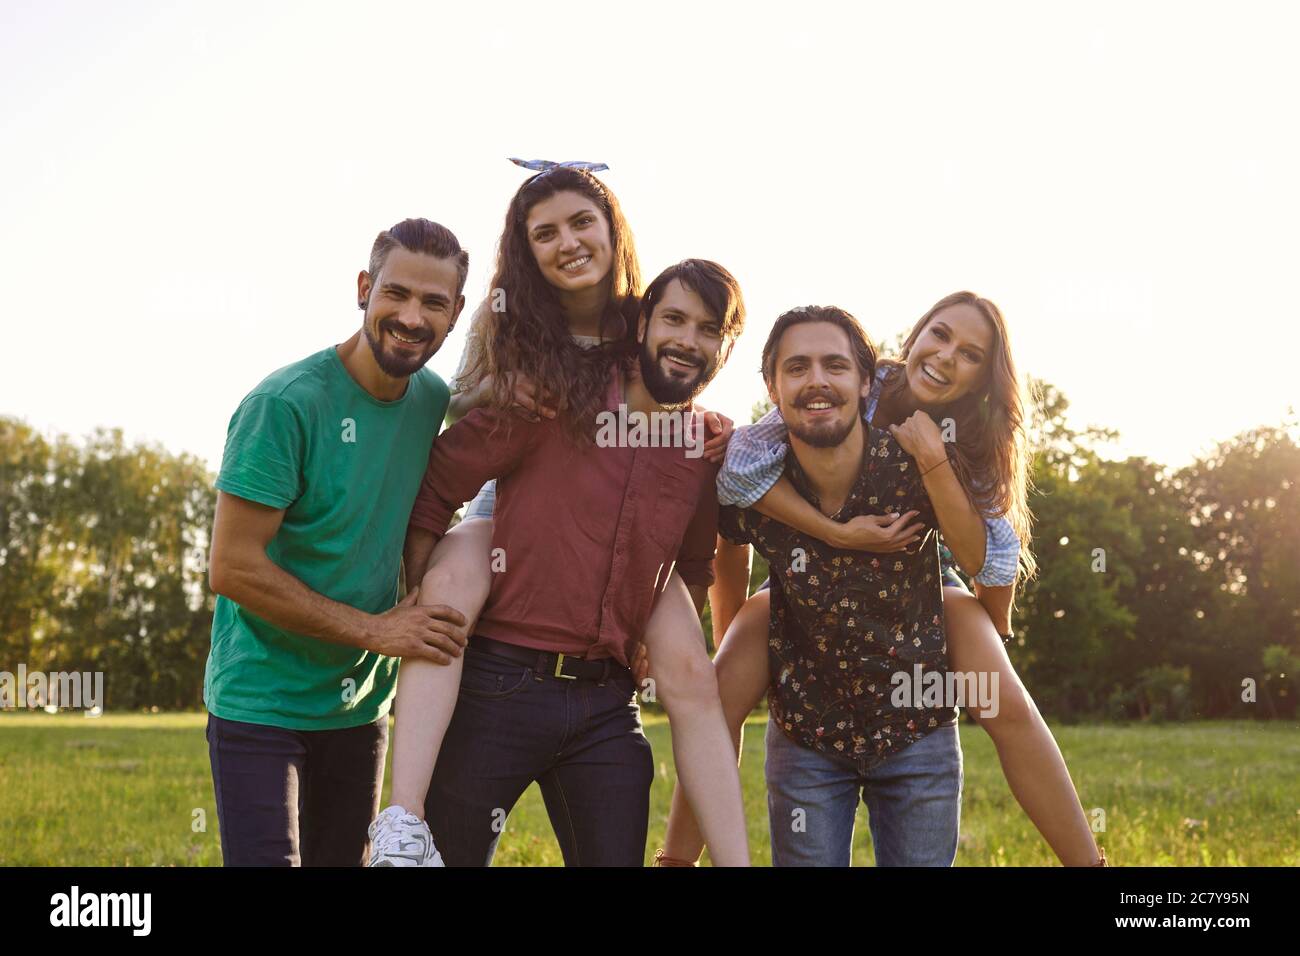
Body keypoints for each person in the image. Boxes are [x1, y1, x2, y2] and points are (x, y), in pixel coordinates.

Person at [658, 292, 1106, 867]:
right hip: (806, 573)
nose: (945, 358)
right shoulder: (847, 389)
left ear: (982, 378)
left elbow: (992, 558)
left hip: (915, 575)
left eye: (969, 354)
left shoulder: (973, 438)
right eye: (939, 335)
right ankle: (674, 859)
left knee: (998, 683)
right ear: (912, 336)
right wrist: (827, 538)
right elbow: (736, 502)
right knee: (734, 660)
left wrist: (993, 625)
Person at [388, 259, 747, 867]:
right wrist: (419, 584)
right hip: (497, 687)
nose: (689, 340)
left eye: (709, 330)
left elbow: (692, 563)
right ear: (641, 326)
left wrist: (647, 637)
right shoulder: (555, 398)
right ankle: (400, 824)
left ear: (725, 348)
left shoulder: (702, 447)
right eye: (675, 319)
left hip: (605, 706)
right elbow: (440, 480)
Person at [203, 219, 470, 865]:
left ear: (456, 313)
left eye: (434, 303)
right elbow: (232, 568)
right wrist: (377, 632)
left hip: (358, 708)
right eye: (396, 294)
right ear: (363, 289)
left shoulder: (434, 400)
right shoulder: (285, 403)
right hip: (260, 701)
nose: (411, 317)